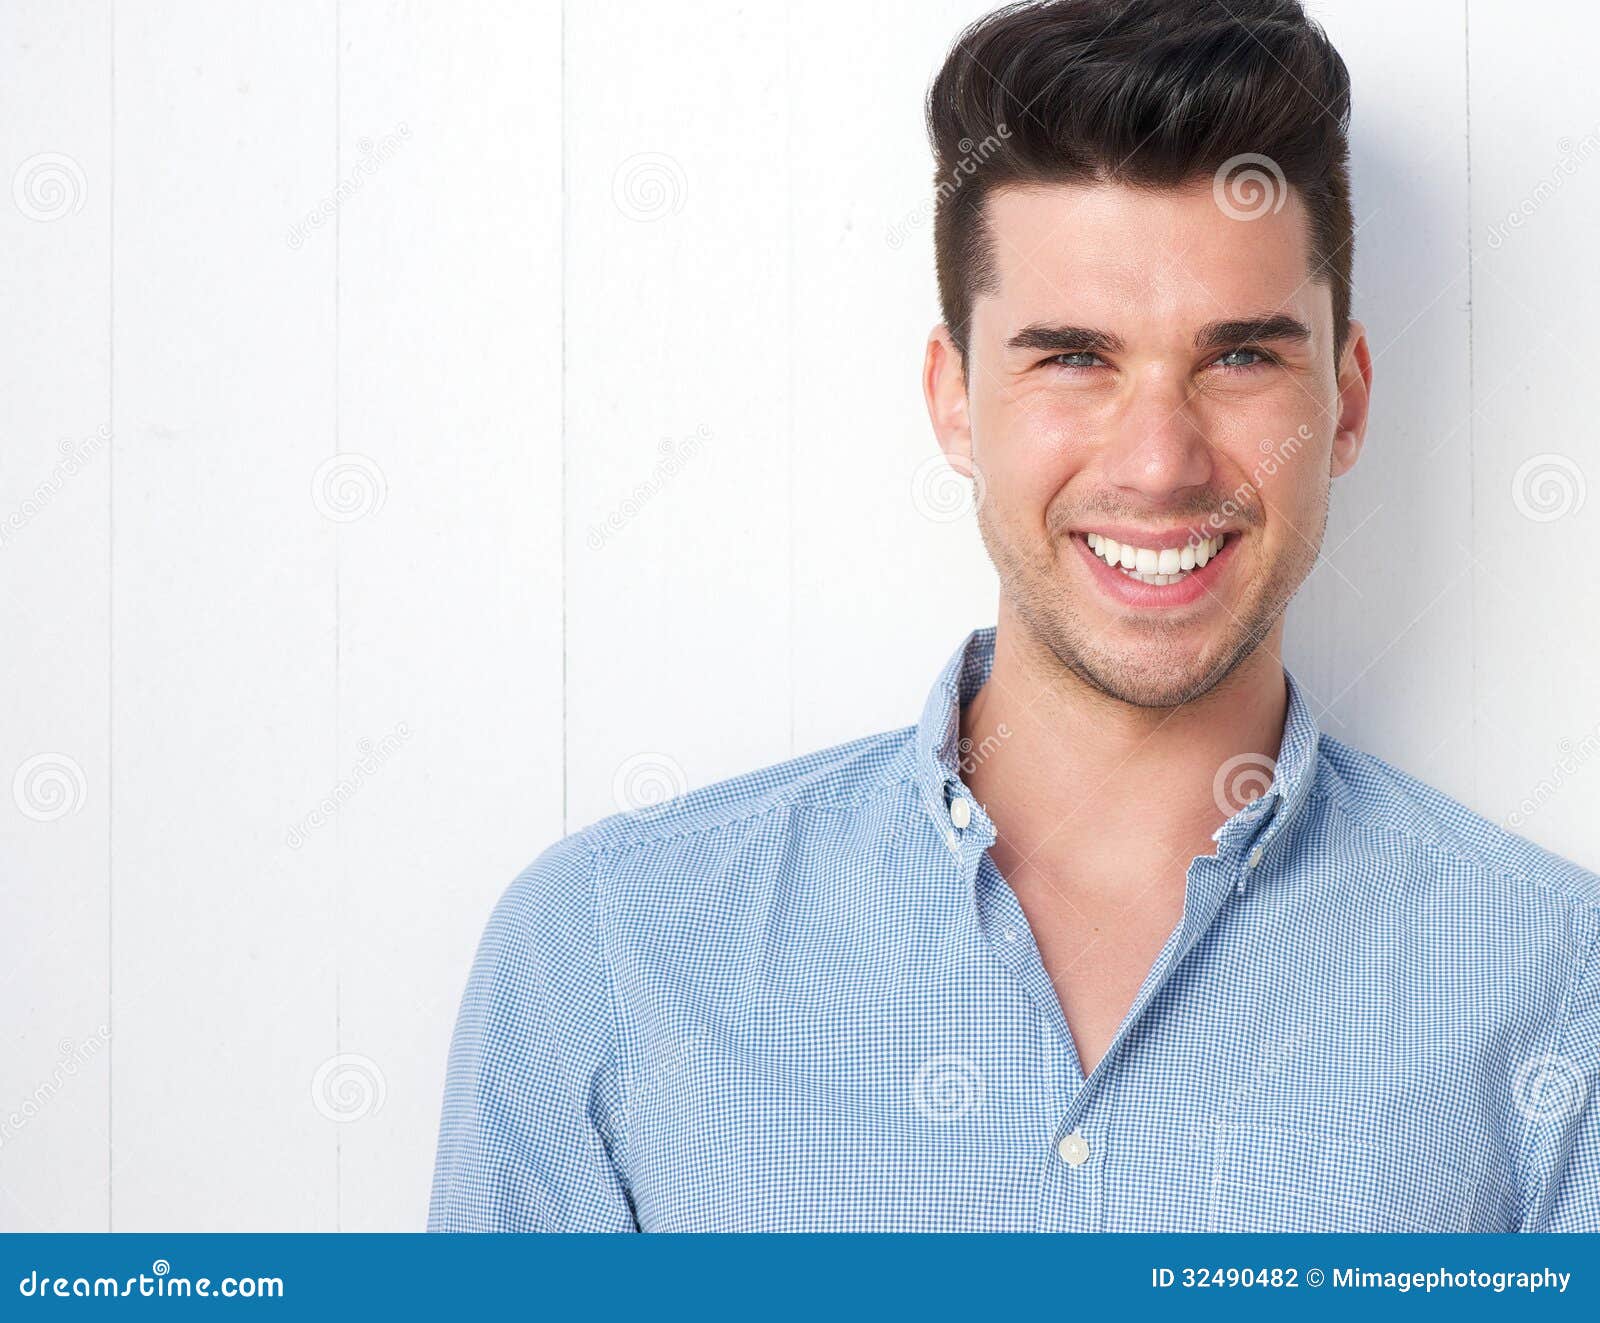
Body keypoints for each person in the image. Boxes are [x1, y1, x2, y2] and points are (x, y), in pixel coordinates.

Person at [429, 0, 1599, 1232]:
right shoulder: (611, 956)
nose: (1158, 465)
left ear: (1346, 403)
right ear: (953, 400)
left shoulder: (1555, 990)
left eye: (1240, 357)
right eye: (1073, 359)